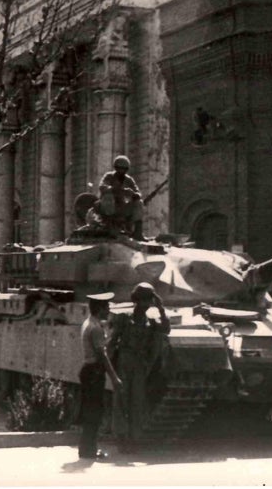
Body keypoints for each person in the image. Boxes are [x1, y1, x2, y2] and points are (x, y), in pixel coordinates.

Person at [108, 282, 171, 452]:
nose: (147, 304)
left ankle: (134, 438)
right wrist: (108, 366)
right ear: (137, 300)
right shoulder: (123, 318)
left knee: (137, 401)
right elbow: (112, 341)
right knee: (121, 400)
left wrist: (161, 308)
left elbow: (166, 329)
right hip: (124, 361)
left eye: (150, 300)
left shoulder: (150, 321)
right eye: (145, 300)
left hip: (140, 364)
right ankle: (121, 438)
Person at [78, 292, 122, 460]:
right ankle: (89, 451)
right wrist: (115, 378)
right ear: (99, 308)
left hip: (89, 370)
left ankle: (87, 449)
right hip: (94, 371)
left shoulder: (89, 323)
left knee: (91, 411)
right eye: (107, 307)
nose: (109, 310)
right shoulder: (96, 328)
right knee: (94, 412)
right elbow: (102, 355)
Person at [97, 155, 145, 240]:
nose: (121, 171)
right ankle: (109, 227)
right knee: (108, 197)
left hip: (122, 207)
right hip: (108, 209)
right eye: (119, 168)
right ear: (115, 168)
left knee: (139, 202)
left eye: (124, 169)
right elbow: (102, 187)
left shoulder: (129, 180)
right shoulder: (109, 176)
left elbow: (137, 193)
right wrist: (116, 189)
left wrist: (133, 194)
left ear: (127, 169)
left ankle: (138, 232)